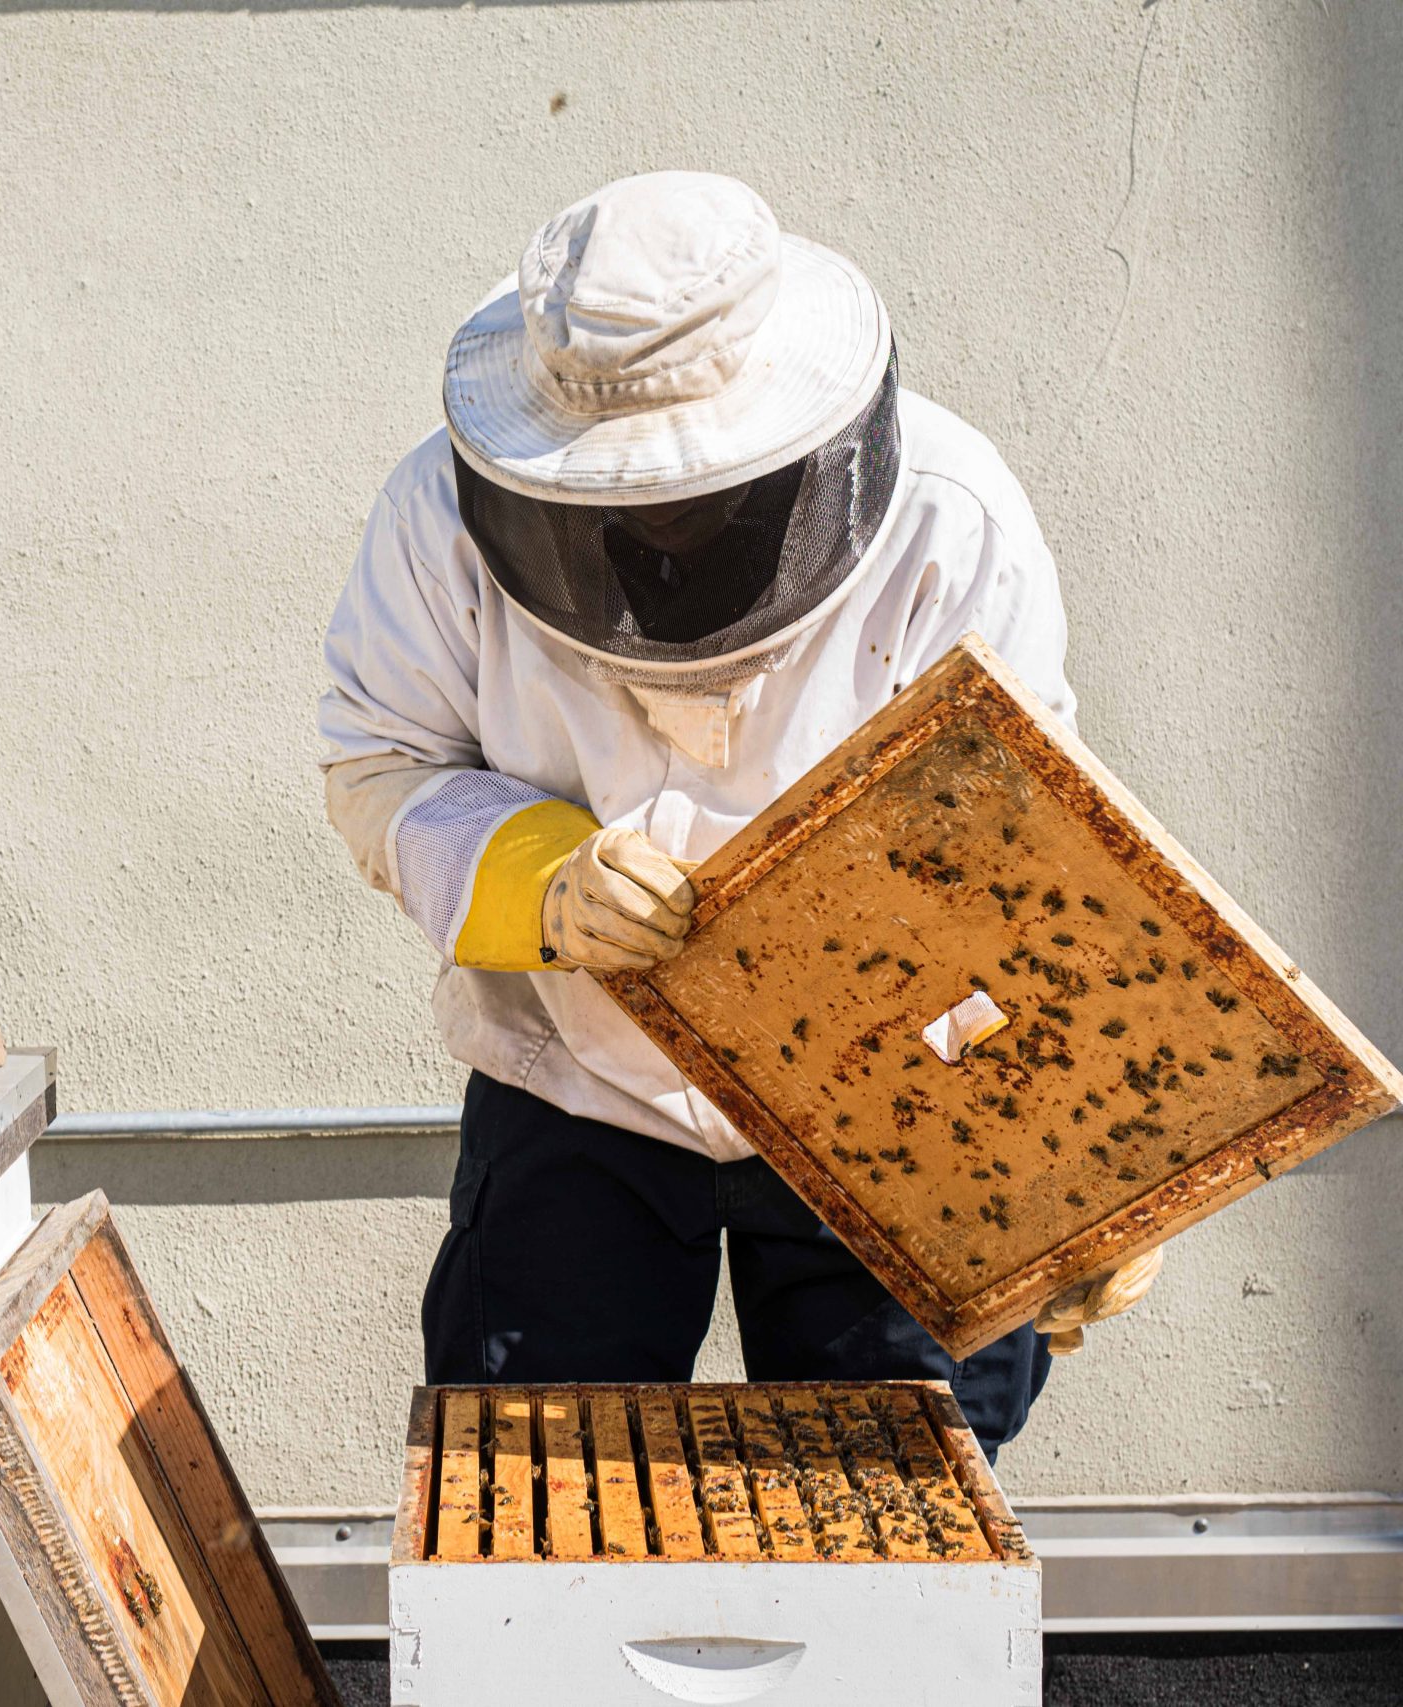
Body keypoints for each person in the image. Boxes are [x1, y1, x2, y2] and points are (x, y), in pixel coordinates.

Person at [315, 171, 1158, 1454]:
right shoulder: (440, 517)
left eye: (696, 504)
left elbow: (1029, 859)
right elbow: (380, 765)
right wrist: (540, 877)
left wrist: (1082, 1165)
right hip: (576, 1078)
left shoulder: (946, 513)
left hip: (893, 1082)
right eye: (617, 511)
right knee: (538, 1480)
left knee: (892, 1497)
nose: (660, 544)